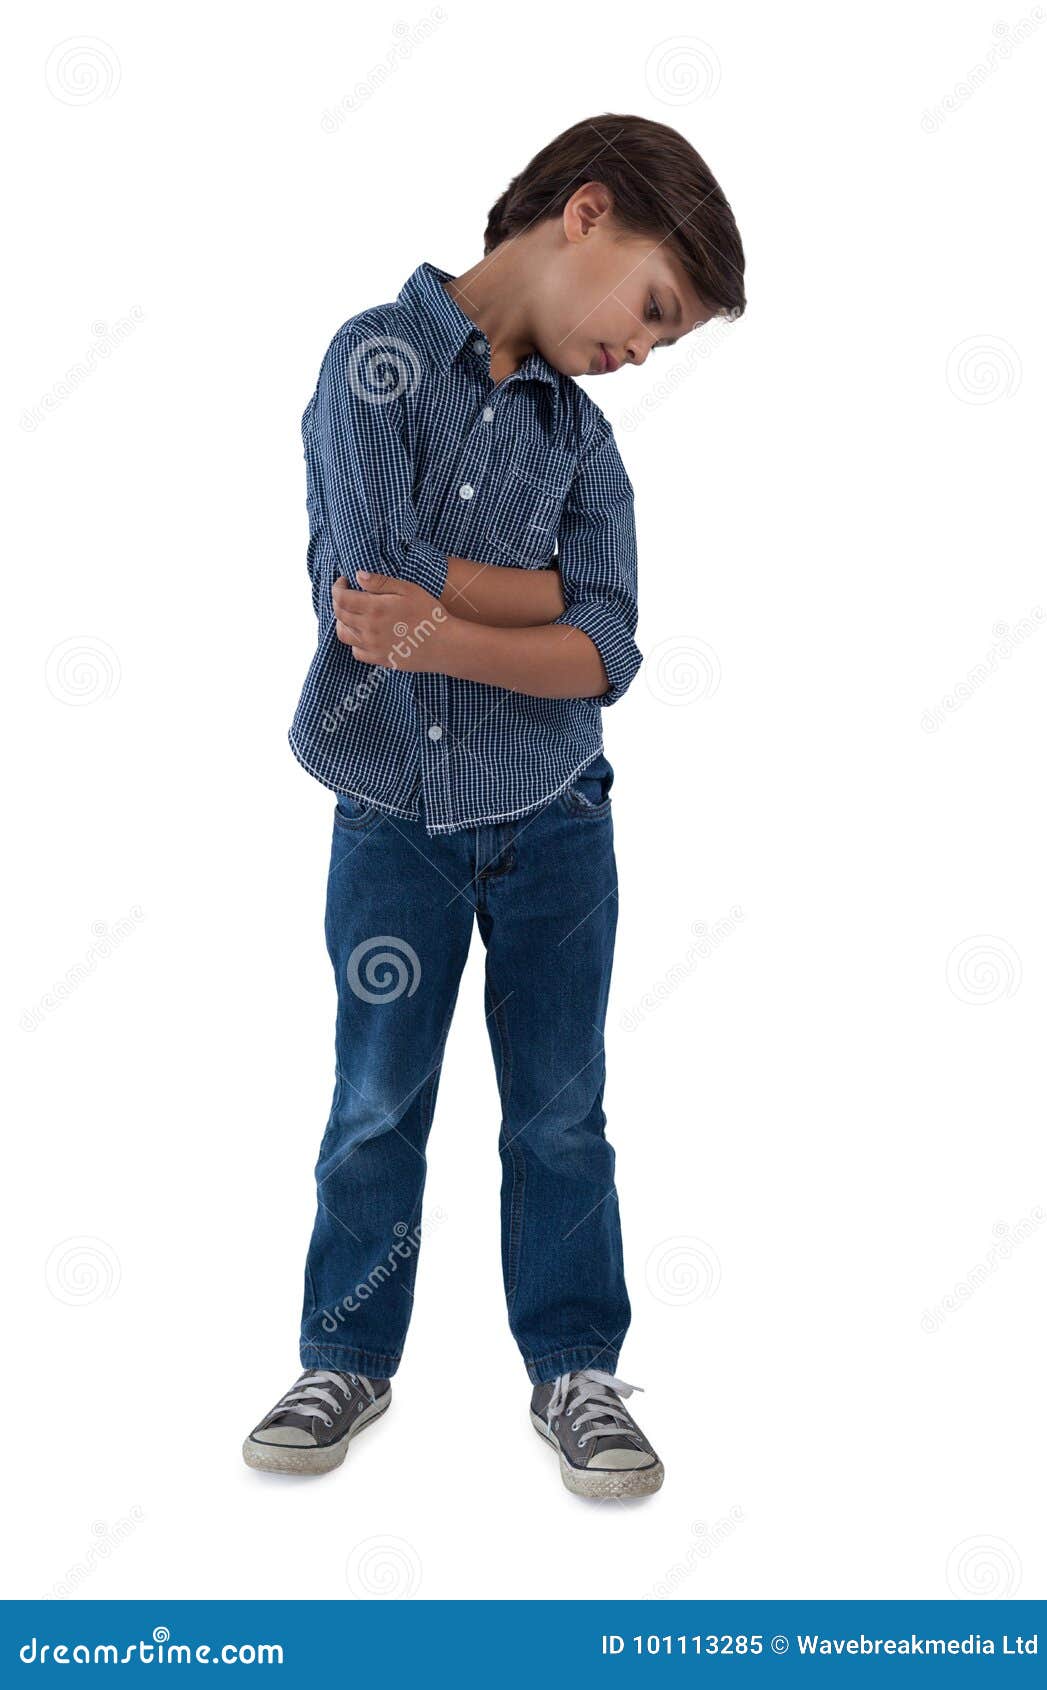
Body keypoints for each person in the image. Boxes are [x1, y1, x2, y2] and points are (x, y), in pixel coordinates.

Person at [243, 112, 745, 1499]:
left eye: (667, 339)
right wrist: (542, 600)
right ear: (587, 212)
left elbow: (612, 650)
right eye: (655, 307)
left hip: (555, 819)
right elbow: (368, 588)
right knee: (375, 1099)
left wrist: (455, 620)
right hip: (391, 816)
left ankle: (575, 1364)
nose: (643, 349)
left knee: (561, 1111)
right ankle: (345, 1354)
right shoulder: (374, 362)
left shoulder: (584, 443)